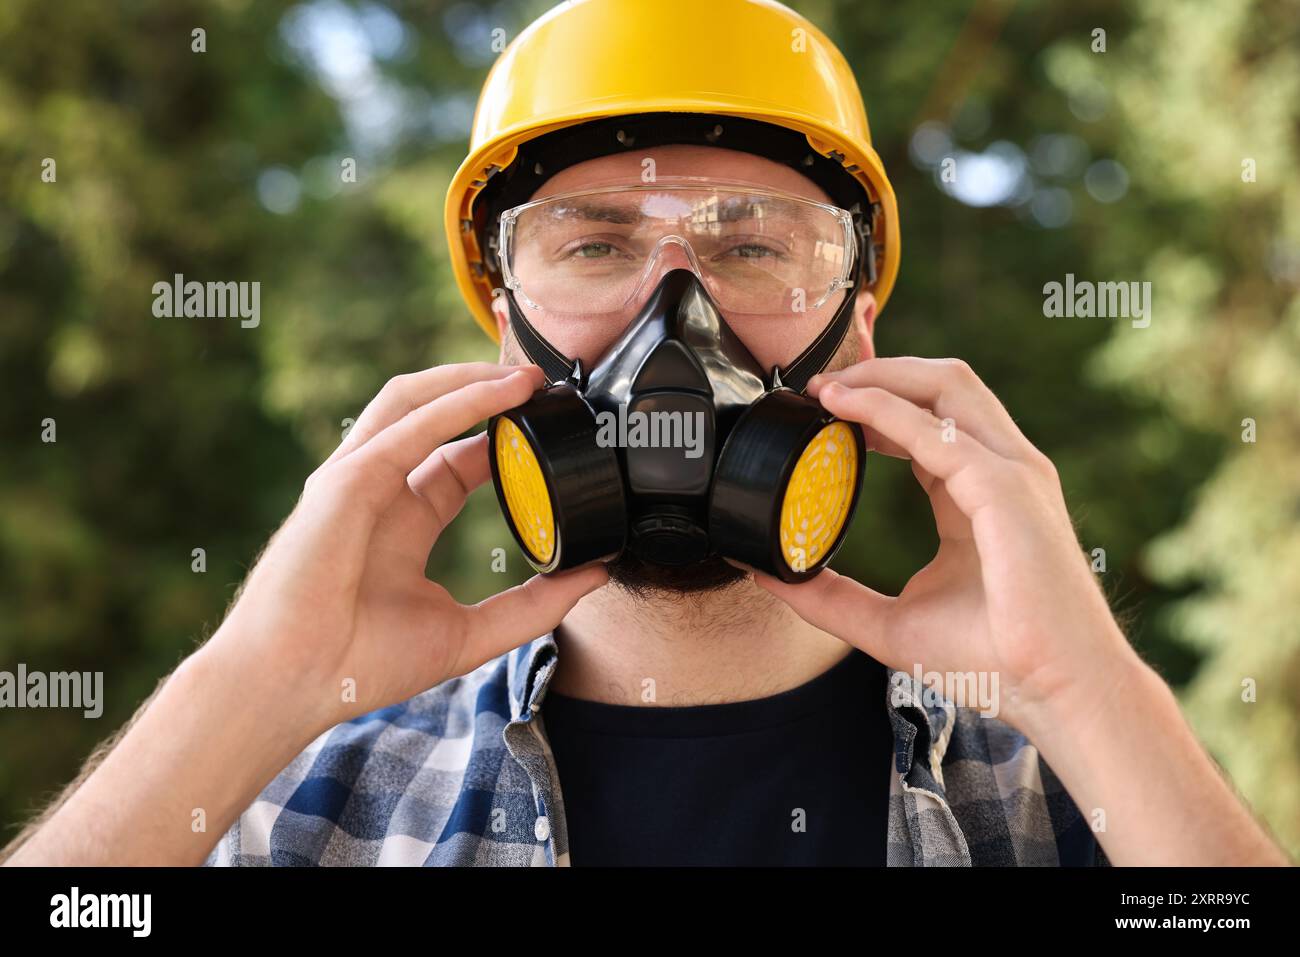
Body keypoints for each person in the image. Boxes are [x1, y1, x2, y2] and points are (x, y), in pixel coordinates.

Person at [2, 0, 1287, 867]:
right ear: (502, 325)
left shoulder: (1079, 793)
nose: (676, 312)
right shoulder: (318, 799)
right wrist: (252, 687)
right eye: (595, 244)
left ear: (858, 325)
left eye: (752, 246)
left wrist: (1081, 689)